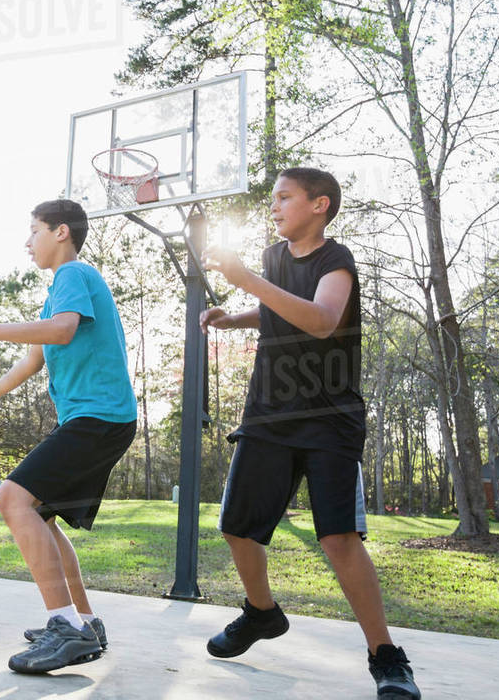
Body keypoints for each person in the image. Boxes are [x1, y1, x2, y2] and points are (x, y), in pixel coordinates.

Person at [201, 167, 421, 699]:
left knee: (337, 537)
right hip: (269, 414)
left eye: (284, 198)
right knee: (238, 526)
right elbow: (281, 309)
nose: (274, 207)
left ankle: (386, 658)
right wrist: (239, 317)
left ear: (319, 205)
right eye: (273, 199)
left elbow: (321, 319)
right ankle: (261, 613)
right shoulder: (276, 258)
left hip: (329, 419)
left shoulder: (335, 259)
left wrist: (246, 281)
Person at [0, 199, 137, 674]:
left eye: (33, 231)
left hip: (99, 417)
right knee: (40, 513)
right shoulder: (60, 291)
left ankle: (67, 629)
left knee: (12, 498)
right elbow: (34, 358)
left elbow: (61, 333)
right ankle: (83, 621)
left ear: (61, 232)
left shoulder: (74, 275)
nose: (27, 242)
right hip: (96, 418)